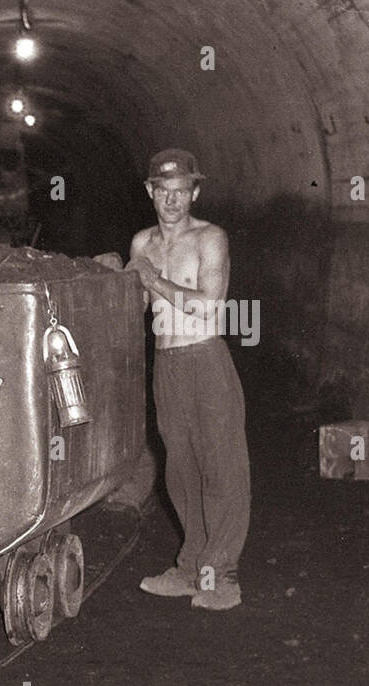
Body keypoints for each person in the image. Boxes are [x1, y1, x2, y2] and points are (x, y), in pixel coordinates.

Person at [127, 149, 250, 610]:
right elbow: (135, 305)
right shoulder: (141, 244)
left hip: (206, 361)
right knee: (180, 470)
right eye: (164, 191)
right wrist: (106, 279)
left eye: (182, 192)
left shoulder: (209, 238)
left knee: (221, 468)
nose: (172, 200)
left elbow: (209, 307)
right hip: (167, 364)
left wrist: (153, 281)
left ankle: (224, 578)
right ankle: (190, 568)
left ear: (194, 192)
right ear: (150, 192)